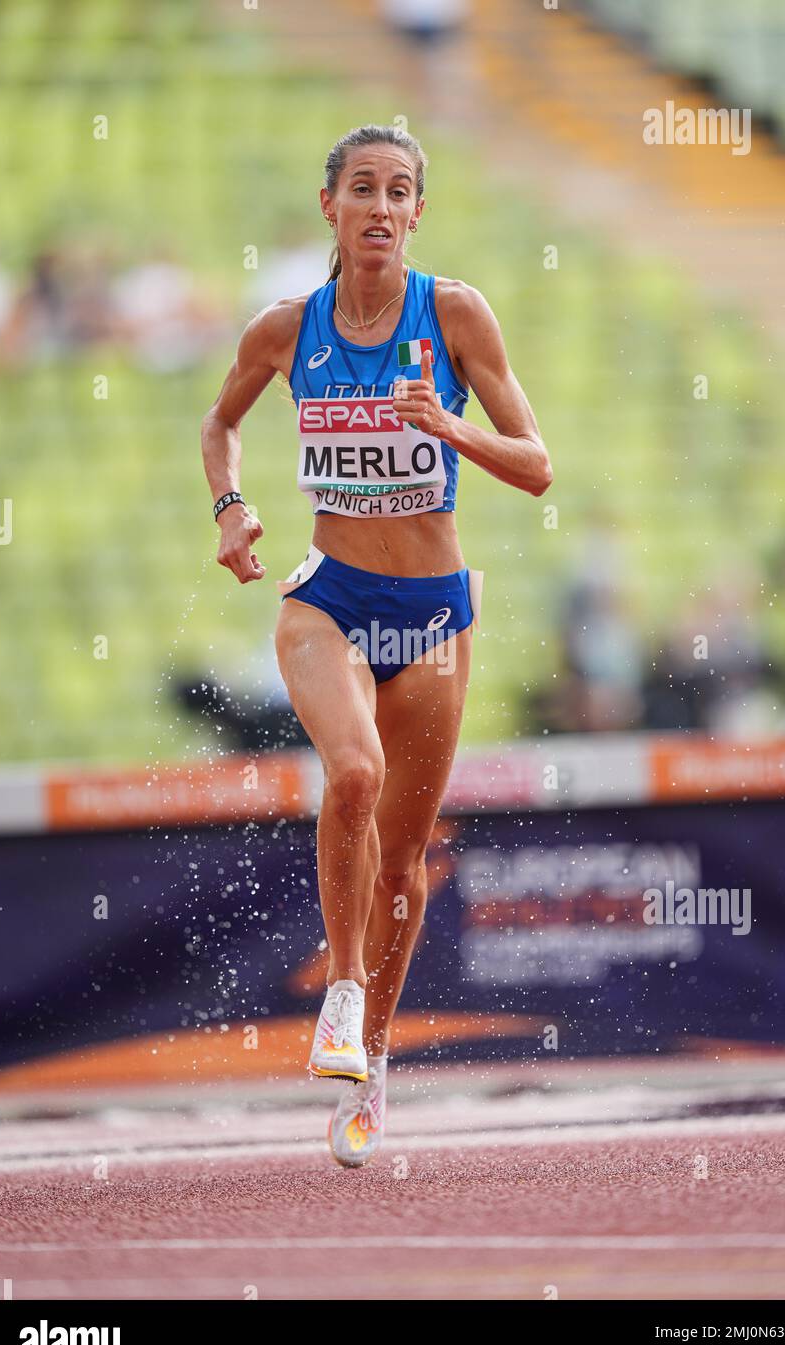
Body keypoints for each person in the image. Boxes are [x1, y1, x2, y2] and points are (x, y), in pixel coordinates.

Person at [201, 123, 550, 1166]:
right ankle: (342, 996)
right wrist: (229, 509)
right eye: (363, 189)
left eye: (400, 192)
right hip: (331, 595)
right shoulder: (284, 329)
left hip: (434, 613)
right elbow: (218, 425)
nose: (382, 208)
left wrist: (447, 428)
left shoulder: (454, 314)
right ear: (331, 209)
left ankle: (375, 1064)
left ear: (415, 215)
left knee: (402, 852)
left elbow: (535, 464)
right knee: (349, 773)